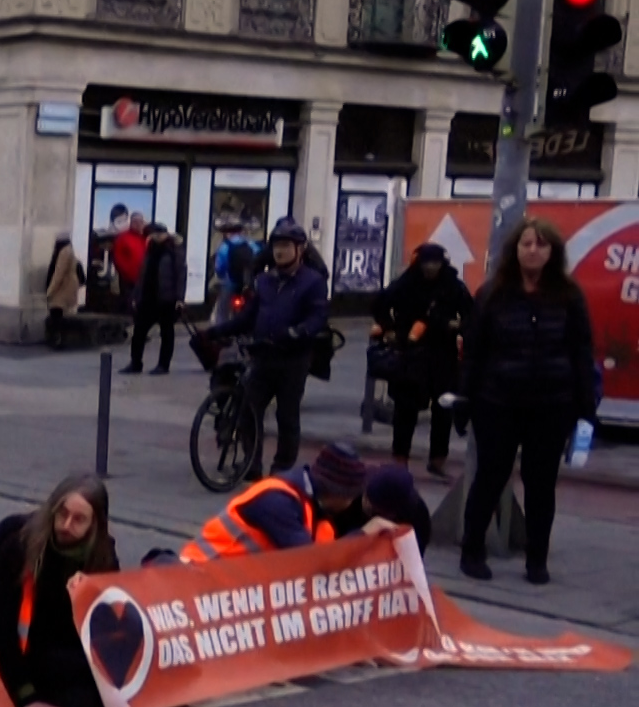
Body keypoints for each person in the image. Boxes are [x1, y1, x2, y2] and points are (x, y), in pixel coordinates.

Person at [458, 217, 598, 585]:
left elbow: (582, 351)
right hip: (497, 401)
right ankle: (472, 551)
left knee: (541, 485)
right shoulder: (493, 293)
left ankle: (537, 559)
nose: (533, 250)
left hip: (551, 405)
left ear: (553, 252)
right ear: (514, 251)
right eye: (526, 244)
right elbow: (475, 351)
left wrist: (587, 408)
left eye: (540, 244)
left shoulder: (568, 295)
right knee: (489, 477)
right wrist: (464, 397)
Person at [0, 474, 120, 707]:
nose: (65, 525)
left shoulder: (103, 555)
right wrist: (25, 696)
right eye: (62, 513)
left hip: (63, 644)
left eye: (79, 520)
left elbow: (107, 624)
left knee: (105, 694)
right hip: (20, 654)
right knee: (80, 699)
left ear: (95, 524)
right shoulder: (18, 546)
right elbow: (2, 628)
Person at [208, 217, 330, 477]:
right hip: (263, 354)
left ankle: (282, 469)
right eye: (276, 245)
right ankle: (251, 464)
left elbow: (318, 317)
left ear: (300, 249)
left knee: (287, 417)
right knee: (249, 412)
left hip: (292, 358)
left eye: (286, 245)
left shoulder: (313, 281)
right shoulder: (264, 281)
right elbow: (248, 317)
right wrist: (217, 331)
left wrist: (297, 332)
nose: (279, 251)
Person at [372, 243, 472, 475]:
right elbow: (380, 304)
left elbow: (471, 314)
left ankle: (438, 459)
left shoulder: (453, 286)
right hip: (410, 351)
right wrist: (389, 329)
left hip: (442, 353)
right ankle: (399, 459)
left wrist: (457, 326)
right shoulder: (407, 283)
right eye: (427, 263)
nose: (431, 268)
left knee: (443, 408)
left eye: (435, 263)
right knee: (405, 408)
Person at [181, 442, 367, 560]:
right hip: (201, 576)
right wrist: (367, 534)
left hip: (230, 584)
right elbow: (310, 561)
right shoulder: (277, 501)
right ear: (338, 493)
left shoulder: (312, 504)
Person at [122, 222, 186, 375]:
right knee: (139, 332)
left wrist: (179, 298)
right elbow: (142, 276)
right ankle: (135, 362)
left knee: (166, 333)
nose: (152, 238)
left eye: (155, 235)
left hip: (166, 298)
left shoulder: (173, 251)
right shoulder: (150, 251)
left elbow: (181, 275)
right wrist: (136, 296)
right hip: (148, 297)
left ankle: (163, 365)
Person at [210, 219, 257, 325]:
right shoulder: (251, 244)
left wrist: (221, 276)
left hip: (230, 283)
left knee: (222, 312)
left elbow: (220, 268)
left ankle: (221, 334)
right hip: (248, 284)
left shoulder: (225, 246)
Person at [46, 232, 80, 350]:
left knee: (56, 313)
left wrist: (50, 291)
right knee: (59, 314)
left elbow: (59, 273)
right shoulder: (69, 250)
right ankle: (60, 340)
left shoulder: (64, 252)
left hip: (63, 286)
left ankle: (59, 341)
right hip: (67, 285)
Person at [112, 210, 149, 312]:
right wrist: (127, 272)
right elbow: (118, 258)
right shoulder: (123, 238)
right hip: (128, 278)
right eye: (135, 222)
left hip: (143, 277)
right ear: (131, 223)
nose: (138, 225)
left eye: (140, 222)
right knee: (128, 302)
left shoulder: (145, 238)